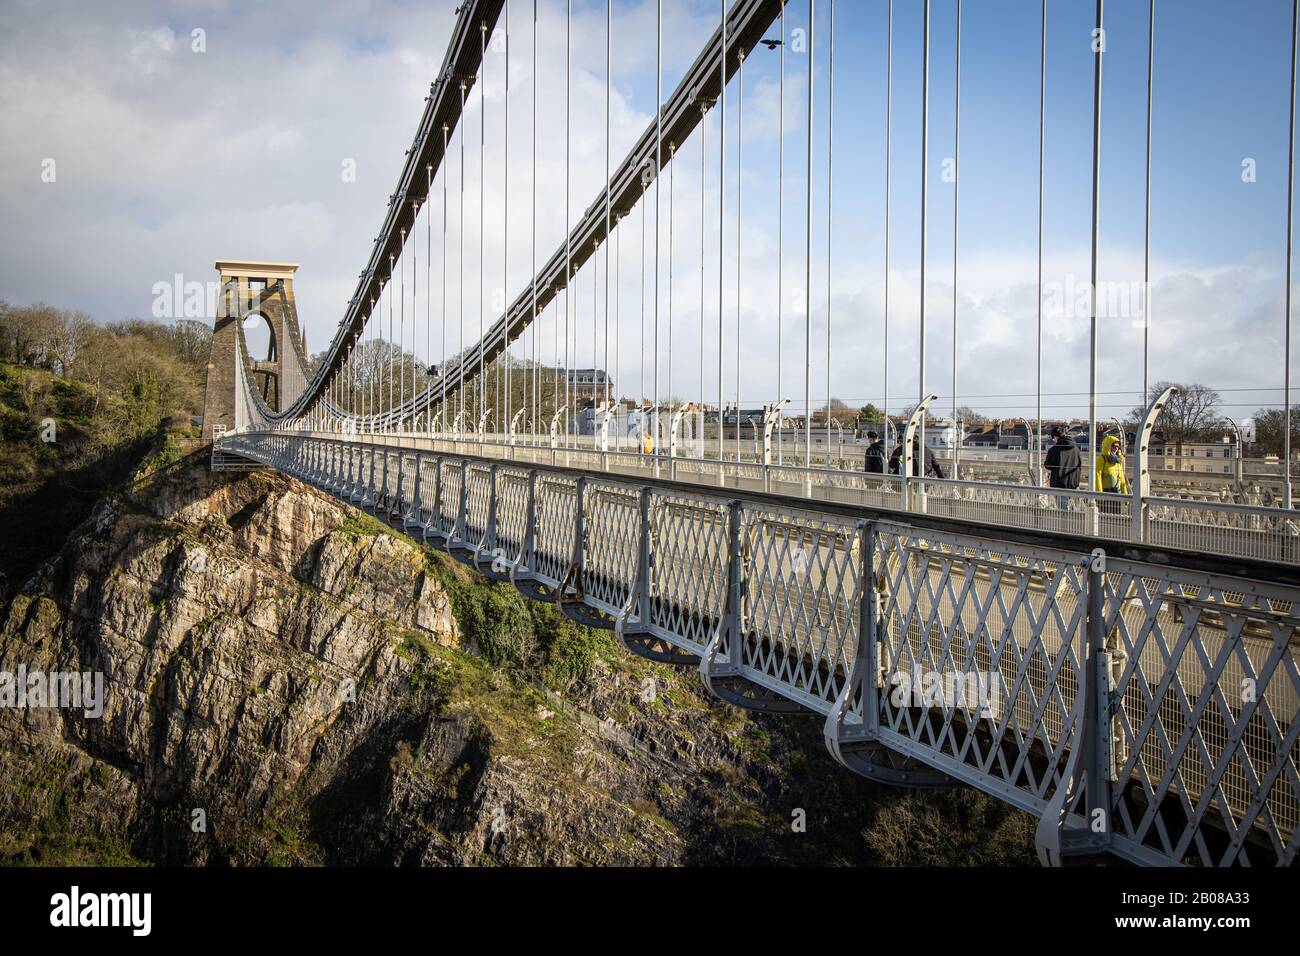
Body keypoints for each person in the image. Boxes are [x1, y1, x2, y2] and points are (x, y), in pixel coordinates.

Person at [1042, 426, 1081, 508]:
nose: (1053, 441)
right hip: (1073, 483)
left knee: (1063, 511)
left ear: (1056, 437)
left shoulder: (1054, 449)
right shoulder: (1076, 448)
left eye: (1053, 438)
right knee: (1075, 509)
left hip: (1059, 484)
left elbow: (1048, 465)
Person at [1095, 433, 1129, 514]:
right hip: (1105, 493)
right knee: (1104, 517)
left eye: (1118, 447)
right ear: (1108, 446)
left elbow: (1122, 479)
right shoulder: (1102, 459)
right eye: (1114, 446)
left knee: (1115, 517)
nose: (1116, 448)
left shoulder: (1118, 461)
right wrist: (1100, 494)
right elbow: (1097, 476)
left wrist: (1125, 496)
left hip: (1116, 493)